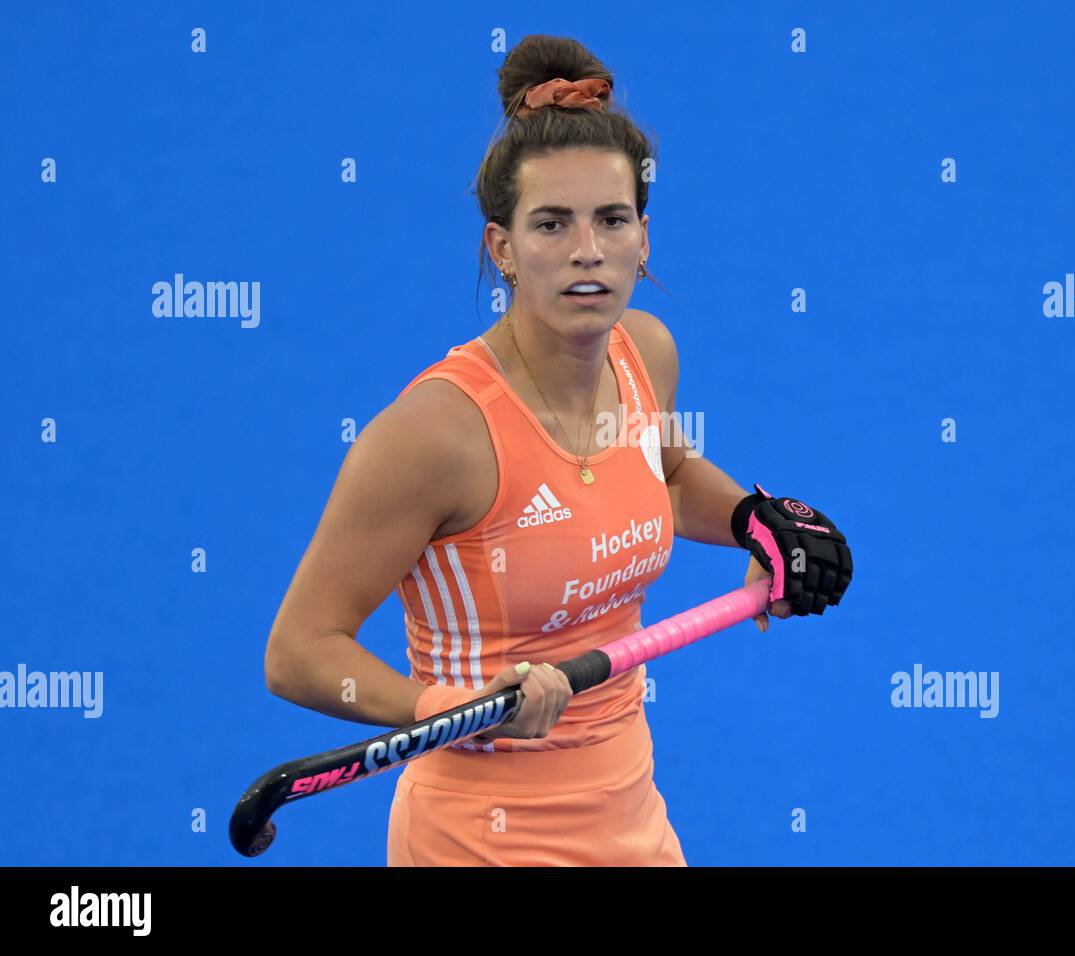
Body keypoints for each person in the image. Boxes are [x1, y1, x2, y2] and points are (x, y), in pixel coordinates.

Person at [263, 34, 853, 866]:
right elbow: (299, 650)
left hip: (631, 815)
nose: (587, 250)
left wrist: (755, 522)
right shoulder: (435, 435)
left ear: (643, 238)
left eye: (612, 219)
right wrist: (447, 705)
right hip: (478, 835)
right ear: (501, 248)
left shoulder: (645, 354)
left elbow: (665, 473)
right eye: (551, 223)